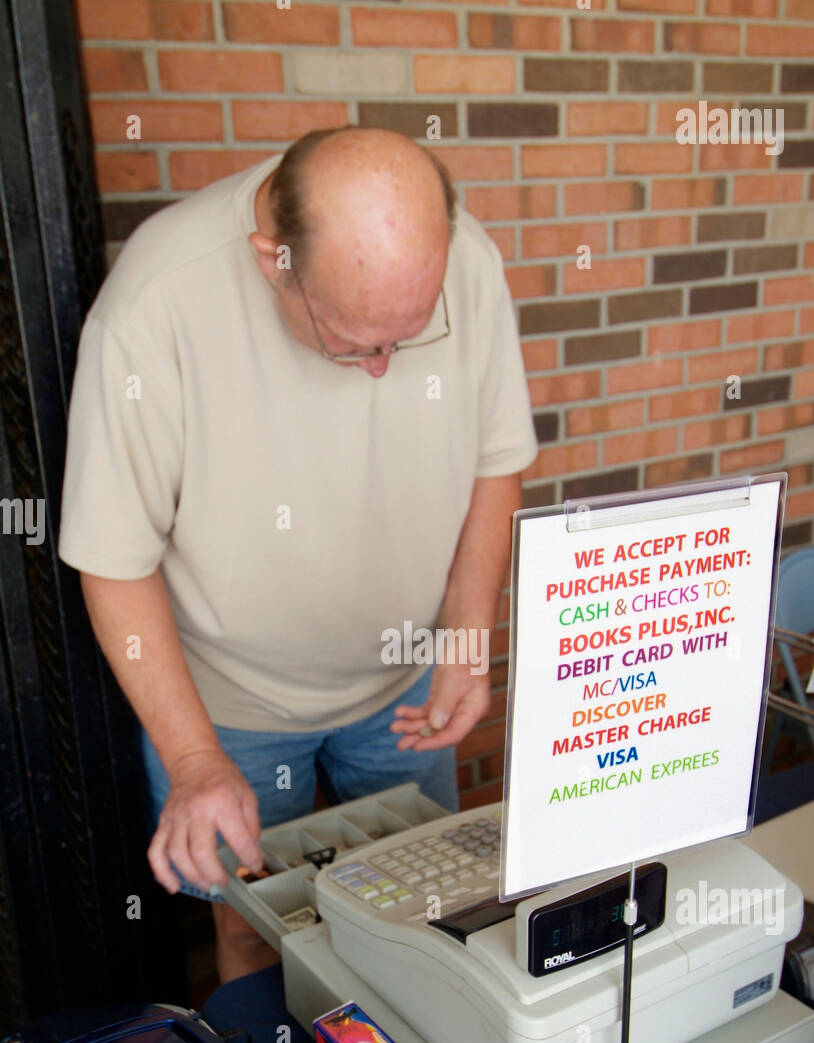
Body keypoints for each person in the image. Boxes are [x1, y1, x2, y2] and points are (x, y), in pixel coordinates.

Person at [58, 127, 537, 982]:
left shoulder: (465, 259)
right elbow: (113, 559)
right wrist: (195, 760)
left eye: (409, 338)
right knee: (255, 934)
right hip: (229, 711)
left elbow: (496, 461)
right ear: (271, 260)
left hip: (407, 682)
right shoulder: (151, 307)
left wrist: (467, 635)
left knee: (432, 917)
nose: (383, 371)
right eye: (355, 342)